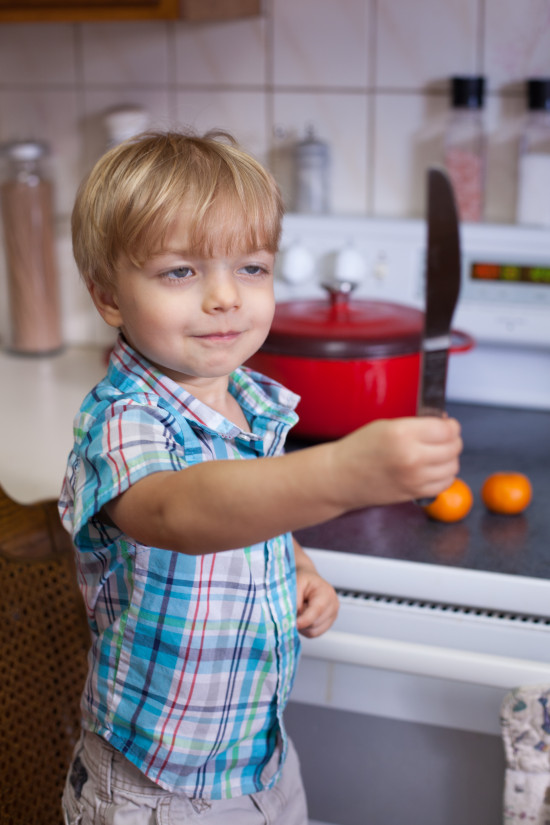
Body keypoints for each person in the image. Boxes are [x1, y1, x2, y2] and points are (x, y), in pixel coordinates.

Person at [58, 130, 462, 825]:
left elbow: (252, 514)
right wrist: (342, 472)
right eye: (180, 272)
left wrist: (299, 565)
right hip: (156, 785)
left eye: (251, 267)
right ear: (109, 298)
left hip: (259, 757)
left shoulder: (248, 400)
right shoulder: (122, 420)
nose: (225, 297)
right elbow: (181, 513)